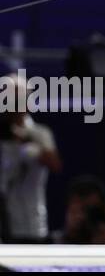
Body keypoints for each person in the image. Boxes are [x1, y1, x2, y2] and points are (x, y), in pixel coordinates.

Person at [0, 74, 62, 242]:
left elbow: (55, 164)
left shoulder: (40, 134)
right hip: (4, 224)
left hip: (31, 224)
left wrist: (24, 138)